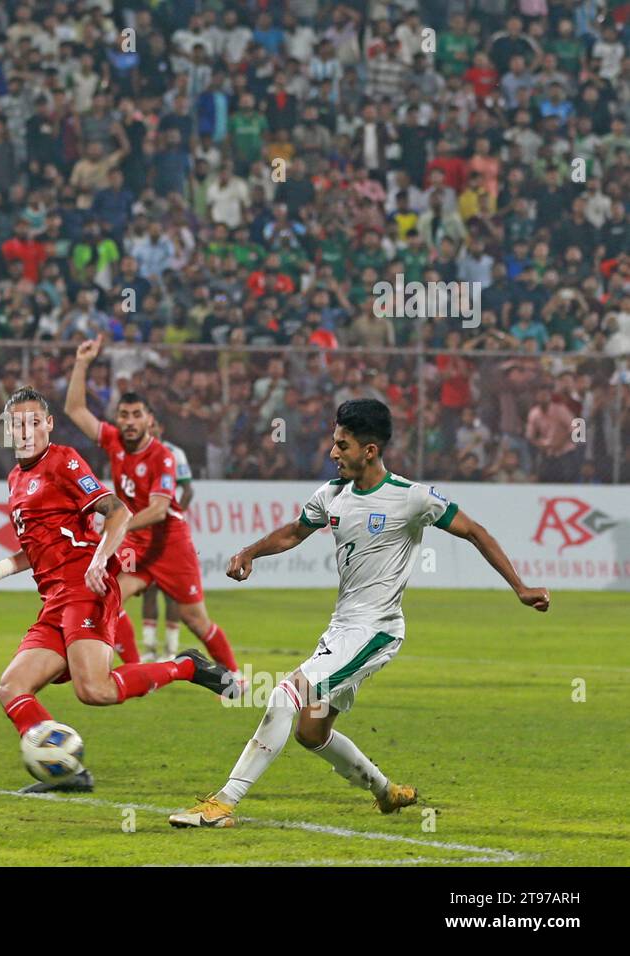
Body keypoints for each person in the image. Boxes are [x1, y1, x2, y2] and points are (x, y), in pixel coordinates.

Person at [169, 399, 550, 829]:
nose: (333, 452)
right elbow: (295, 531)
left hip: (377, 630)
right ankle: (385, 793)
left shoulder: (411, 498)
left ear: (370, 450)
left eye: (342, 445)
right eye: (334, 443)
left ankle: (224, 803)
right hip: (341, 629)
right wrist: (250, 551)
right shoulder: (332, 494)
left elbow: (475, 531)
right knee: (311, 732)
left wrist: (520, 587)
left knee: (284, 696)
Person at [0, 386, 236, 794]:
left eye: (35, 422)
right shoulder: (16, 479)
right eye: (18, 424)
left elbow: (118, 512)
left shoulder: (63, 460)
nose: (27, 431)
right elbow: (38, 545)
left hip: (84, 588)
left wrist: (98, 561)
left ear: (49, 425)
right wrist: (1, 568)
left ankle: (187, 666)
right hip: (54, 601)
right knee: (10, 687)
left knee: (93, 690)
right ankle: (66, 772)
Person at [64, 335, 240, 677]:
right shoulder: (113, 440)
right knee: (107, 597)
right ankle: (134, 670)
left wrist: (118, 525)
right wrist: (82, 363)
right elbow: (74, 410)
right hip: (135, 544)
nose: (129, 421)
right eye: (124, 415)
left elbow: (159, 510)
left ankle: (236, 677)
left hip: (170, 543)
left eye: (136, 415)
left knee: (195, 620)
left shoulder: (163, 457)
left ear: (150, 420)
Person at [139, 418, 195, 662]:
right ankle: (150, 649)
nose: (150, 430)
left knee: (172, 591)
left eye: (154, 426)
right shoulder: (135, 454)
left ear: (160, 428)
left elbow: (188, 489)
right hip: (145, 532)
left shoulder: (174, 453)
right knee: (148, 589)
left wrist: (175, 518)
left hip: (168, 533)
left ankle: (171, 651)